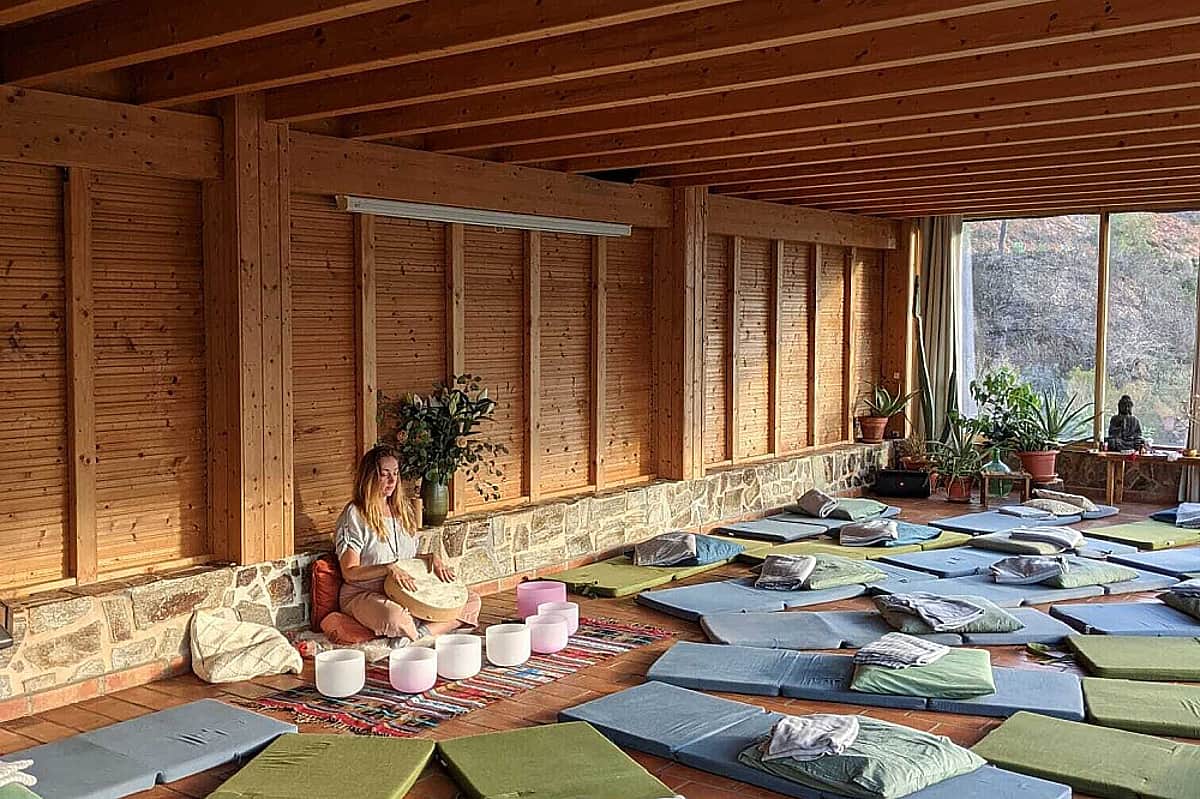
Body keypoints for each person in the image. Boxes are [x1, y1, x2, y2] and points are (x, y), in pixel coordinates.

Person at [335, 444, 480, 644]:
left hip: (406, 589)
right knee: (395, 617)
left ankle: (419, 635)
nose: (393, 480)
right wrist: (387, 569)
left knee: (470, 600)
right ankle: (425, 631)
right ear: (369, 477)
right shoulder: (355, 514)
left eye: (395, 473)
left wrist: (430, 559)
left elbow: (406, 561)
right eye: (385, 474)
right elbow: (350, 572)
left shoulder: (402, 510)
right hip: (365, 593)